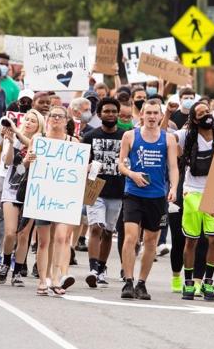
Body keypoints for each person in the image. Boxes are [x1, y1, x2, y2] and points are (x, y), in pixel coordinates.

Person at [117, 98, 179, 301]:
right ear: (141, 115)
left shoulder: (168, 139)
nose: (152, 117)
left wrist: (174, 188)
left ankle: (141, 283)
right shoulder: (130, 136)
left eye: (155, 113)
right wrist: (132, 174)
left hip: (157, 196)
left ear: (161, 116)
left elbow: (173, 167)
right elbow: (121, 165)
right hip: (133, 193)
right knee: (130, 237)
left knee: (151, 241)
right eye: (148, 113)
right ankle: (128, 280)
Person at [24, 103, 79, 295]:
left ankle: (55, 278)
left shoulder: (73, 142)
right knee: (44, 241)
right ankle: (42, 280)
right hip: (43, 195)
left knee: (61, 238)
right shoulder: (39, 139)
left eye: (60, 117)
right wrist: (28, 159)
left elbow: (78, 171)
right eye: (53, 116)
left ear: (66, 121)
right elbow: (26, 164)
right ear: (47, 120)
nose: (56, 119)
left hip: (63, 197)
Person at [176, 101, 214, 301]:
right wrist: (167, 115)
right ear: (194, 119)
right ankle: (188, 282)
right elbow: (164, 138)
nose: (206, 115)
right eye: (201, 113)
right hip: (192, 192)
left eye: (208, 111)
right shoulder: (185, 136)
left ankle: (208, 282)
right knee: (192, 239)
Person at [0, 109, 41, 286]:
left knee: (23, 236)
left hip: (31, 193)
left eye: (33, 121)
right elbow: (9, 165)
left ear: (39, 126)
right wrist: (10, 140)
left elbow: (33, 144)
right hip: (12, 190)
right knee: (10, 233)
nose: (29, 123)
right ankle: (6, 263)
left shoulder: (40, 142)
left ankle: (17, 272)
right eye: (27, 119)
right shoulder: (15, 140)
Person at [82, 98, 124, 287]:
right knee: (96, 227)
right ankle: (92, 269)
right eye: (106, 111)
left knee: (108, 232)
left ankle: (101, 267)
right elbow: (80, 162)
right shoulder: (89, 136)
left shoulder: (125, 137)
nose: (110, 114)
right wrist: (87, 166)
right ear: (99, 114)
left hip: (117, 190)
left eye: (114, 111)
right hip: (95, 188)